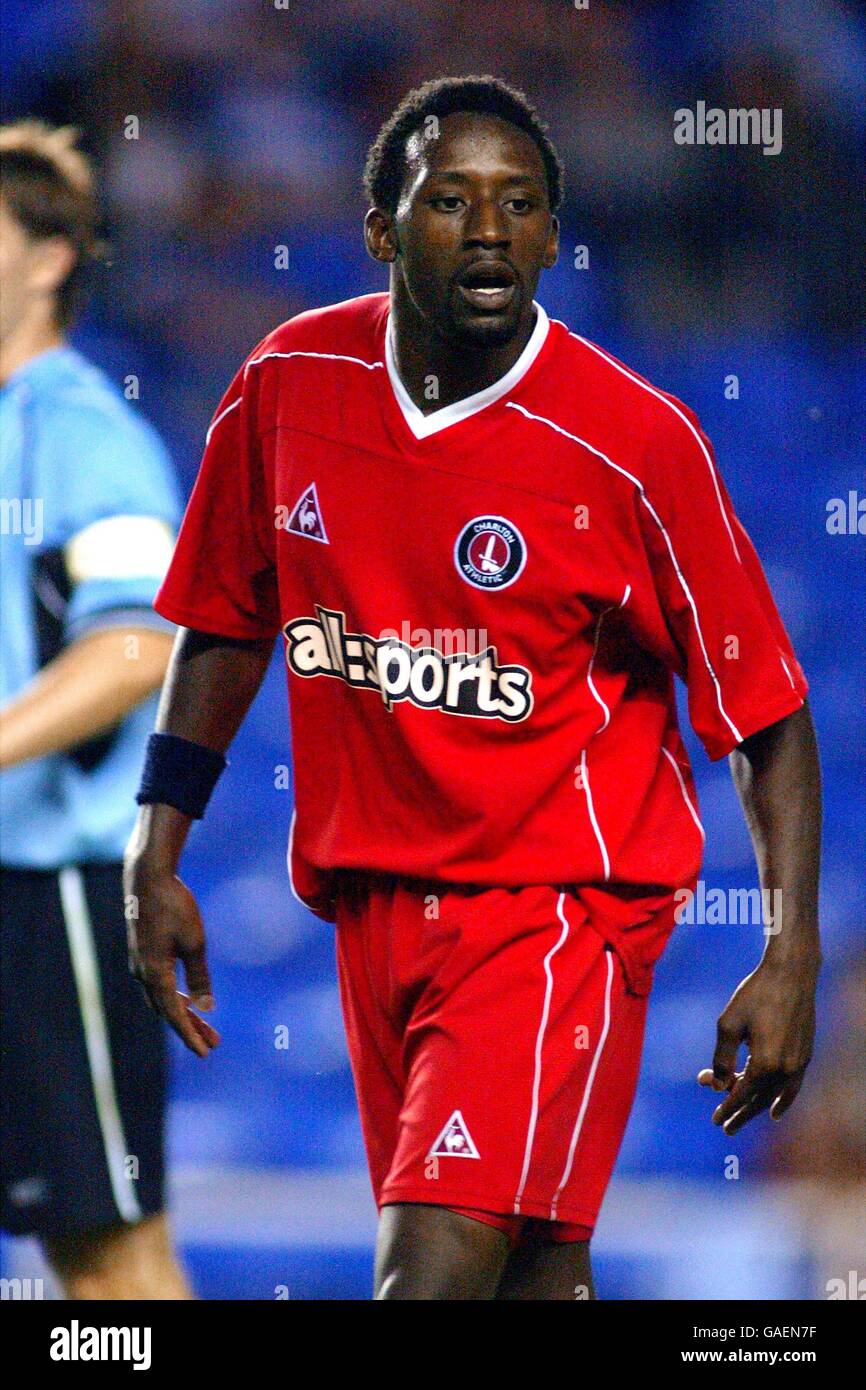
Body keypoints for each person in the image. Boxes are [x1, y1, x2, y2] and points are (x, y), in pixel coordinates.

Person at [125, 77, 821, 1301]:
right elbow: (227, 623)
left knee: (428, 1271)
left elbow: (763, 709)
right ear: (383, 227)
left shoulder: (633, 444)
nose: (489, 228)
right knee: (533, 1278)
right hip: (373, 908)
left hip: (553, 915)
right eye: (450, 199)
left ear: (553, 235)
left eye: (519, 203)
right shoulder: (288, 383)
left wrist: (788, 952)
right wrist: (157, 842)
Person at [0, 121, 190, 1298]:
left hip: (47, 896)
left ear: (49, 255)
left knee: (106, 1259)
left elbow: (131, 647)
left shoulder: (81, 432)